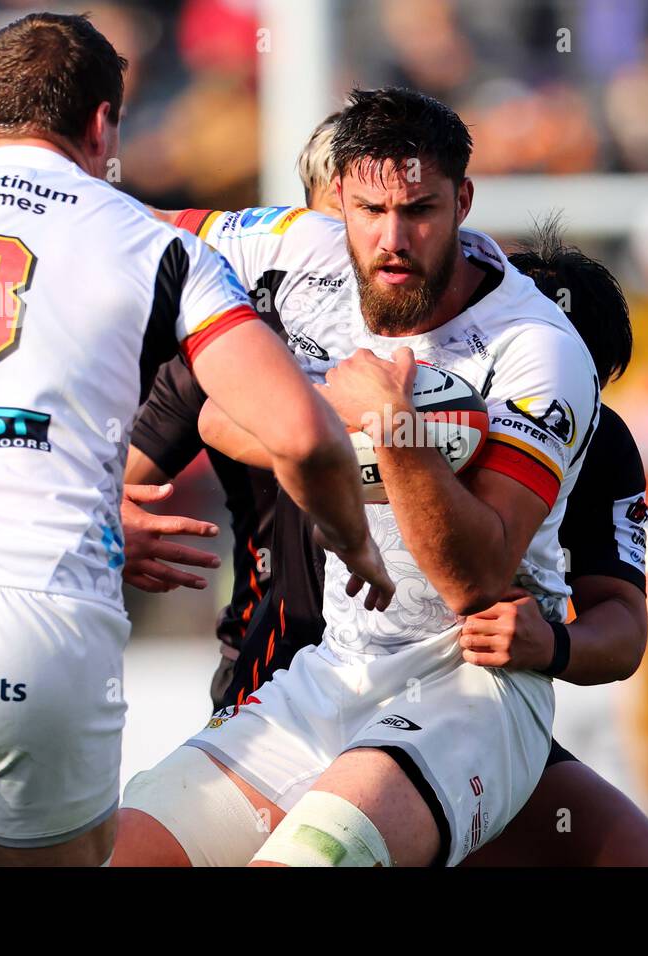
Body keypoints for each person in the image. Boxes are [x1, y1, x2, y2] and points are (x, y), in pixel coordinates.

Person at [0, 12, 388, 868]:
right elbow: (302, 435)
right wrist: (356, 546)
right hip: (46, 619)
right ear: (104, 124)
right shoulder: (160, 248)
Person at [115, 87, 603, 867]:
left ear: (463, 201)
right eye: (370, 210)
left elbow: (477, 580)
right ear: (336, 198)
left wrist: (392, 428)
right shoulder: (293, 247)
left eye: (421, 210)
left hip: (470, 691)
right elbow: (114, 232)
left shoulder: (535, 350)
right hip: (333, 673)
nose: (393, 237)